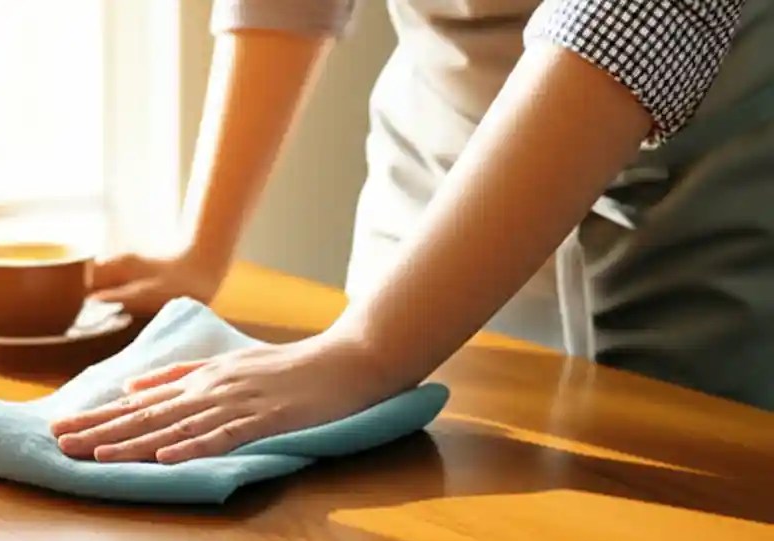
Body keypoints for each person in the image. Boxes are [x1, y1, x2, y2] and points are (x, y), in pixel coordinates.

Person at [52, 0, 773, 465]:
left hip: (702, 181)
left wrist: (366, 351)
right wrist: (202, 249)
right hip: (440, 163)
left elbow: (628, 25)